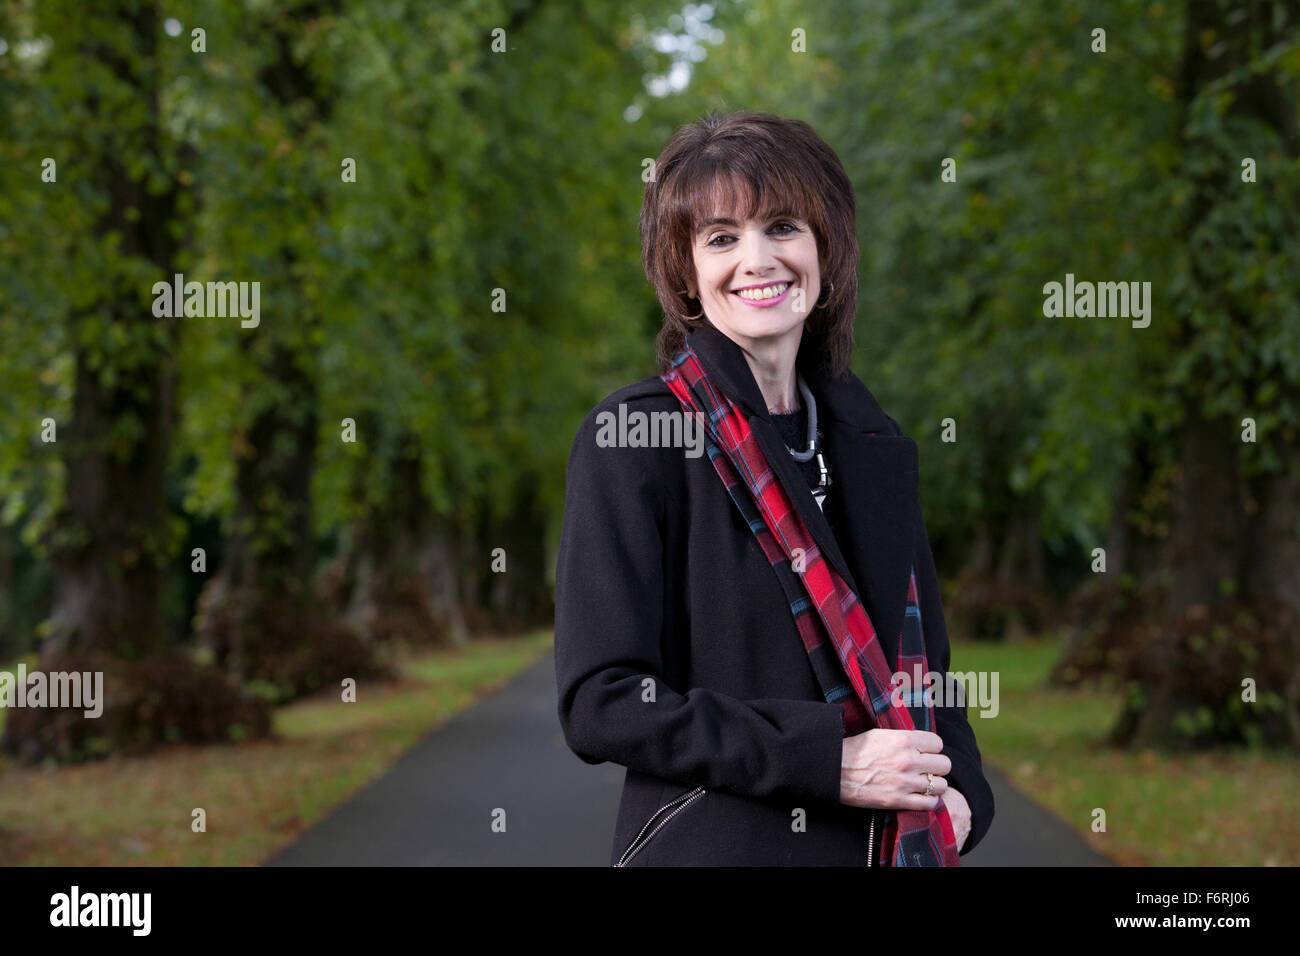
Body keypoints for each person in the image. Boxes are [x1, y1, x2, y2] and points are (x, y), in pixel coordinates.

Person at [554, 110, 994, 866]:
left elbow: (931, 676)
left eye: (783, 226)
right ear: (685, 271)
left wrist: (965, 798)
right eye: (721, 238)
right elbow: (603, 702)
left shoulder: (869, 441)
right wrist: (827, 760)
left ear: (826, 248)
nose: (757, 259)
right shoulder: (636, 437)